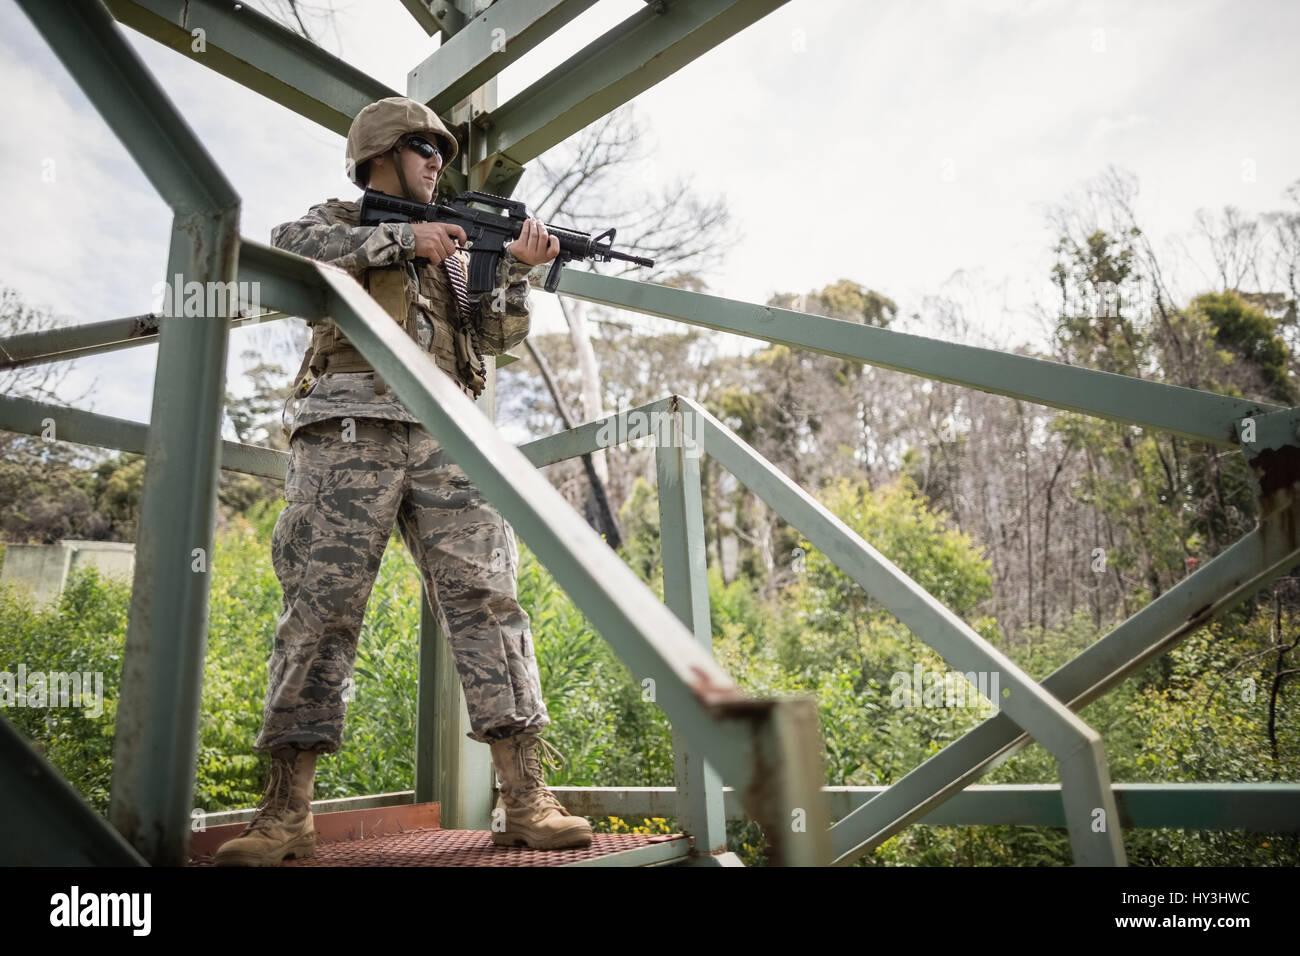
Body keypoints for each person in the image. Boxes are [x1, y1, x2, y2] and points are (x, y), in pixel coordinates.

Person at [214, 96, 592, 866]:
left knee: (490, 601)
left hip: (447, 433)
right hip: (348, 425)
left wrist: (517, 274)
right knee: (319, 607)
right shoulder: (342, 217)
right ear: (380, 153)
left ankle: (525, 798)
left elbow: (493, 336)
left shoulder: (454, 251)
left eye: (443, 151)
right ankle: (286, 812)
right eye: (424, 146)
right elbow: (291, 245)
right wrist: (401, 239)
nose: (437, 161)